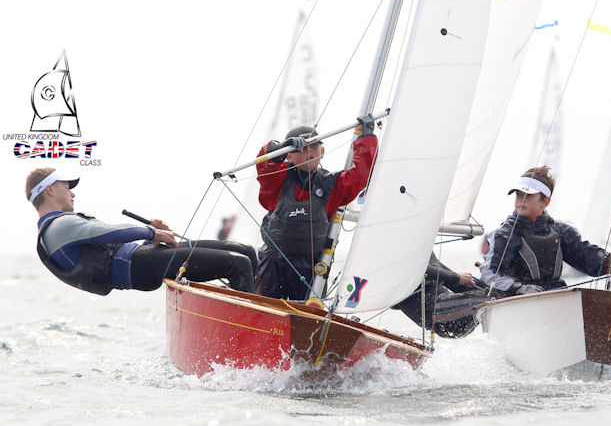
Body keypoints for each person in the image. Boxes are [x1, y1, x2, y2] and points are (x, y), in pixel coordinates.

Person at [28, 167, 258, 295]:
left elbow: (112, 246)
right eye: (66, 187)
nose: (72, 193)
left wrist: (153, 238)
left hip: (143, 256)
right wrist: (151, 232)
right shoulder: (57, 226)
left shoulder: (57, 227)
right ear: (49, 190)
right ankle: (253, 332)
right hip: (140, 265)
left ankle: (272, 309)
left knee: (245, 250)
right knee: (238, 264)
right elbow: (111, 233)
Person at [254, 122, 378, 299]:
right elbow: (264, 163)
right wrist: (278, 148)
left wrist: (366, 138)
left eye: (314, 146)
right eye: (302, 148)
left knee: (304, 312)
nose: (309, 152)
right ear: (288, 155)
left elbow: (362, 174)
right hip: (273, 261)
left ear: (322, 152)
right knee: (264, 307)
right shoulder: (276, 178)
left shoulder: (331, 184)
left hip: (310, 266)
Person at [481, 166, 610, 296]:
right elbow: (489, 273)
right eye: (519, 195)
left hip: (555, 298)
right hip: (516, 300)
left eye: (528, 196)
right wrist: (517, 287)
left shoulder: (562, 231)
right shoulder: (504, 234)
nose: (521, 200)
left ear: (545, 201)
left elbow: (587, 259)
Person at [395, 253, 488, 338]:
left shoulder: (421, 249)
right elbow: (420, 270)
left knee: (489, 296)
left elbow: (450, 280)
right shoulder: (398, 253)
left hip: (447, 309)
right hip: (435, 315)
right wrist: (457, 277)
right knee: (486, 298)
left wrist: (483, 287)